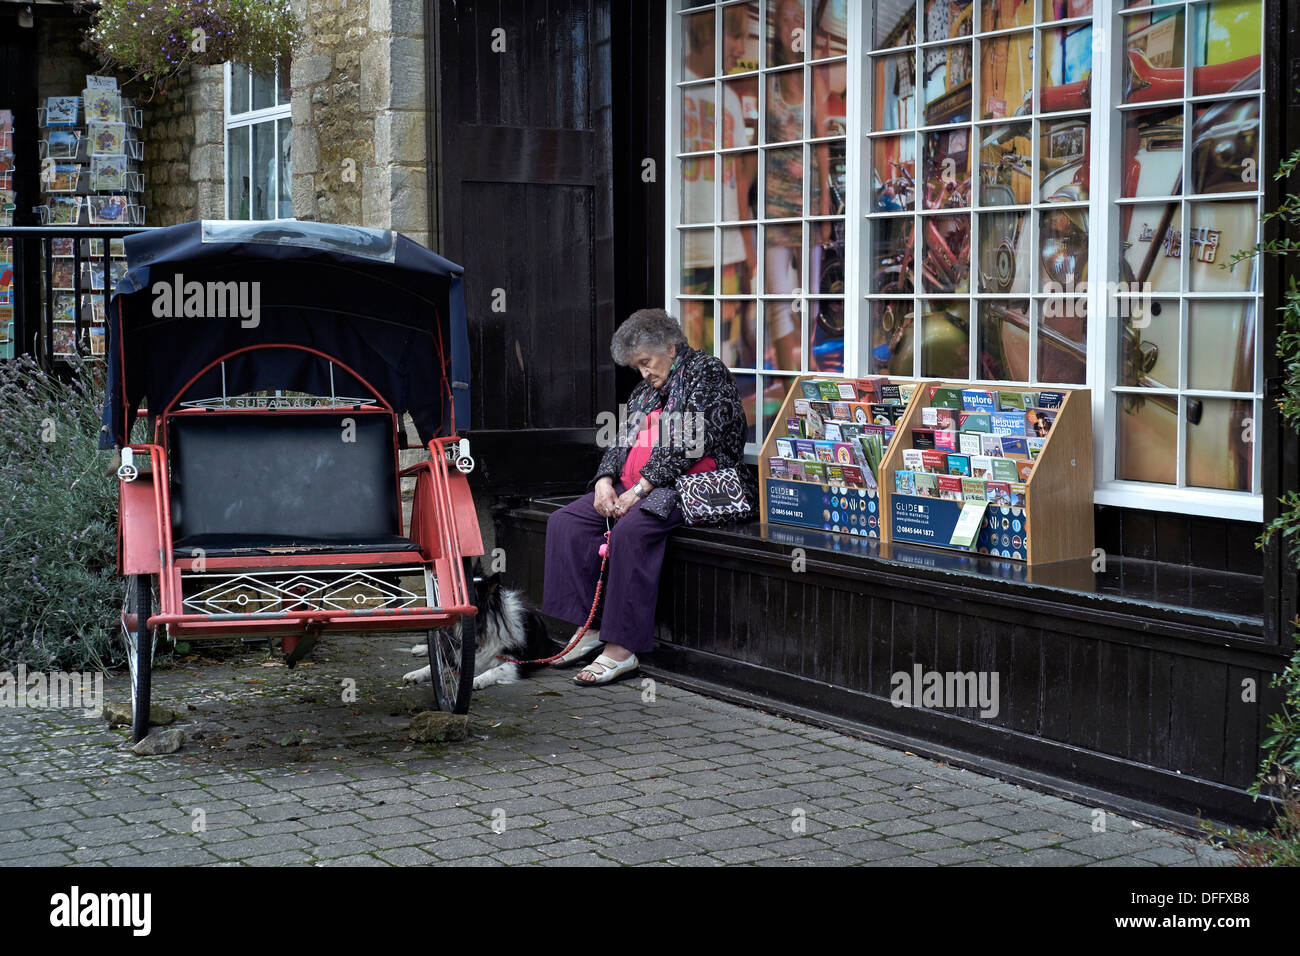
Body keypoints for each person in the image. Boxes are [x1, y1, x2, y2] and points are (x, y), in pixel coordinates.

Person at [541, 309, 754, 685]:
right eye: (636, 366)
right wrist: (604, 481)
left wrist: (639, 490)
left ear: (670, 348)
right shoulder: (646, 390)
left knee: (630, 534)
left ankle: (622, 649)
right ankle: (589, 627)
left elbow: (690, 442)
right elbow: (621, 440)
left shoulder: (707, 373)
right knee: (566, 522)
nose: (643, 373)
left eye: (646, 363)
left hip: (691, 486)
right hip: (638, 484)